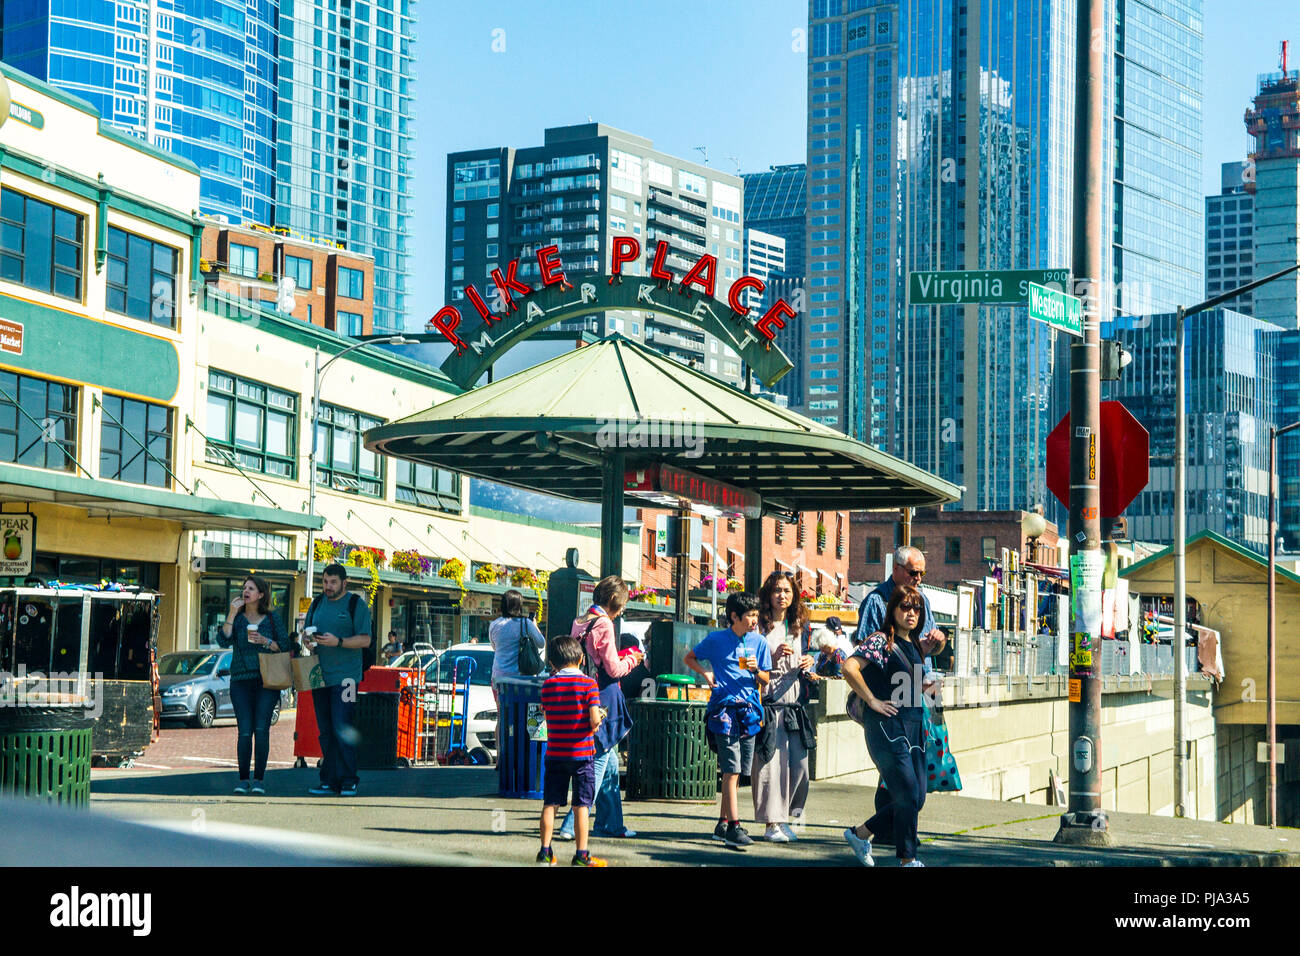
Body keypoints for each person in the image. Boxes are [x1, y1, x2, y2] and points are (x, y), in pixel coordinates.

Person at [841, 584, 940, 867]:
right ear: (893, 610)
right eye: (905, 606)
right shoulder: (881, 641)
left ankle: (860, 834)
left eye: (917, 608)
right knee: (907, 793)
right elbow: (849, 667)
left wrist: (927, 689)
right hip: (887, 728)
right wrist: (872, 700)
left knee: (916, 798)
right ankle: (908, 860)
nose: (911, 613)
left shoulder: (915, 645)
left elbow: (910, 686)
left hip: (914, 727)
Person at [556, 576, 644, 841]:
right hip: (604, 697)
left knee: (611, 766)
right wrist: (632, 659)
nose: (622, 610)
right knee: (600, 760)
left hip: (582, 692)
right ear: (614, 600)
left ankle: (611, 824)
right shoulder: (604, 623)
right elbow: (613, 669)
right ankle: (571, 825)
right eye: (622, 604)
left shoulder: (580, 620)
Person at [683, 591, 771, 849]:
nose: (754, 620)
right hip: (724, 712)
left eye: (756, 615)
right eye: (750, 615)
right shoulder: (716, 639)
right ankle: (734, 826)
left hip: (749, 712)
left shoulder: (759, 642)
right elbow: (690, 657)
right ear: (734, 616)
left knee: (738, 771)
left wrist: (756, 670)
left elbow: (766, 679)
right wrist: (706, 674)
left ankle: (722, 824)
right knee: (731, 770)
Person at [751, 571, 818, 843]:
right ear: (768, 594)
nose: (782, 595)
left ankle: (785, 818)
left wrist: (810, 662)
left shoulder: (799, 625)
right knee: (770, 766)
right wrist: (771, 656)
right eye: (777, 590)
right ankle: (771, 823)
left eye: (787, 591)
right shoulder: (758, 626)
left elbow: (809, 655)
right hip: (768, 702)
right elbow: (743, 662)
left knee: (800, 767)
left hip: (794, 704)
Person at [299, 563, 372, 797]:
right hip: (320, 676)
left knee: (343, 726)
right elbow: (306, 634)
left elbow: (365, 640)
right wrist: (308, 641)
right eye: (325, 582)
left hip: (347, 677)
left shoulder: (355, 604)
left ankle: (349, 780)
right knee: (326, 730)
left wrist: (338, 641)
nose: (328, 586)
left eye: (333, 582)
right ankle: (329, 780)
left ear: (344, 583)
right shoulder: (317, 603)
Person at [537, 635, 607, 867]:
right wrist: (599, 719)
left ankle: (545, 852)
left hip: (555, 753)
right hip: (582, 755)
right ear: (581, 659)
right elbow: (594, 719)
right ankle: (581, 855)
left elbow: (546, 712)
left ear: (553, 663)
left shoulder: (548, 686)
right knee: (581, 805)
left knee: (551, 803)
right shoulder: (589, 684)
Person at [217, 575, 287, 795]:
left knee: (261, 730)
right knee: (245, 731)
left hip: (267, 681)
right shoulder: (238, 619)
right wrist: (231, 613)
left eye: (251, 588)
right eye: (244, 588)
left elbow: (285, 646)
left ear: (261, 594)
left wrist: (265, 641)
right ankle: (243, 780)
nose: (245, 591)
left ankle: (259, 780)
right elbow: (223, 640)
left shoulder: (272, 619)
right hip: (240, 680)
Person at [857, 546, 947, 656]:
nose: (918, 578)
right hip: (895, 667)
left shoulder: (923, 599)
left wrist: (939, 640)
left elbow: (935, 649)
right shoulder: (875, 601)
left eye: (922, 573)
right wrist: (914, 650)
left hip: (920, 666)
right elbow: (866, 653)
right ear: (896, 568)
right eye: (913, 573)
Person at [488, 589, 546, 698]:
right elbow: (541, 643)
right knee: (520, 707)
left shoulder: (494, 625)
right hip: (520, 678)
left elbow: (495, 647)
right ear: (519, 606)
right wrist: (535, 625)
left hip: (498, 678)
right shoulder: (525, 623)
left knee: (502, 707)